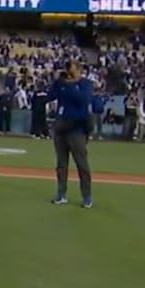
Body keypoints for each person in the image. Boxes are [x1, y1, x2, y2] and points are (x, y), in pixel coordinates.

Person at [48, 61, 94, 209]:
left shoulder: (85, 84)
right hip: (61, 128)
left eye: (71, 70)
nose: (68, 73)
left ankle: (86, 197)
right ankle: (61, 194)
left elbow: (82, 100)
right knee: (61, 164)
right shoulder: (62, 83)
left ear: (79, 70)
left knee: (82, 164)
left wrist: (70, 84)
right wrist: (57, 81)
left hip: (77, 129)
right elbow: (51, 95)